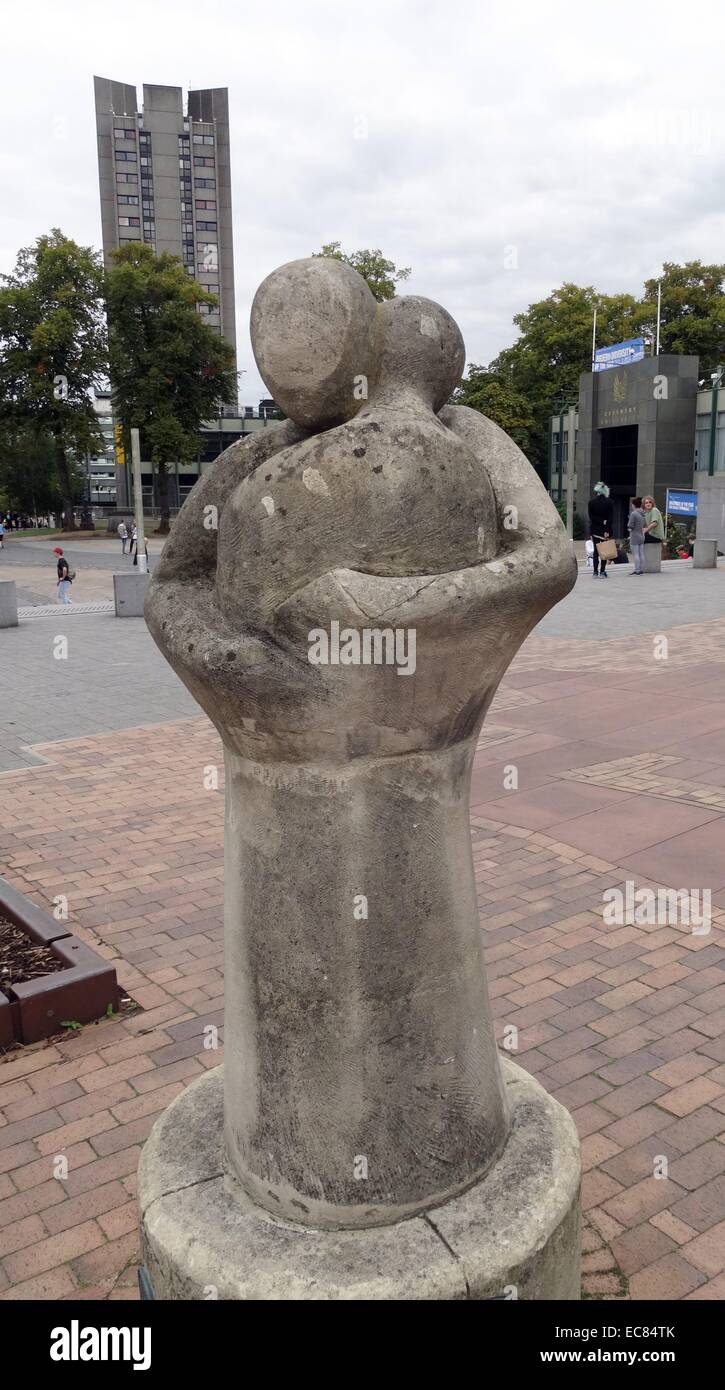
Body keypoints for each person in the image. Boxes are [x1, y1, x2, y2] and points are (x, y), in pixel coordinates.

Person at [588, 481, 614, 579]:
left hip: (595, 530)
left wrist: (600, 521)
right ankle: (602, 572)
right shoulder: (610, 502)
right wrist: (606, 528)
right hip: (605, 531)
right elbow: (611, 519)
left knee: (596, 551)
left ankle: (595, 572)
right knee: (604, 551)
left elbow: (591, 518)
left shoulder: (591, 503)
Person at [628, 496, 645, 575]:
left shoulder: (633, 514)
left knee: (636, 554)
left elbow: (631, 525)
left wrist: (629, 527)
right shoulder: (642, 513)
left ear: (634, 505)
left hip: (634, 536)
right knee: (641, 553)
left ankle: (637, 570)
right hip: (641, 535)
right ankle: (641, 569)